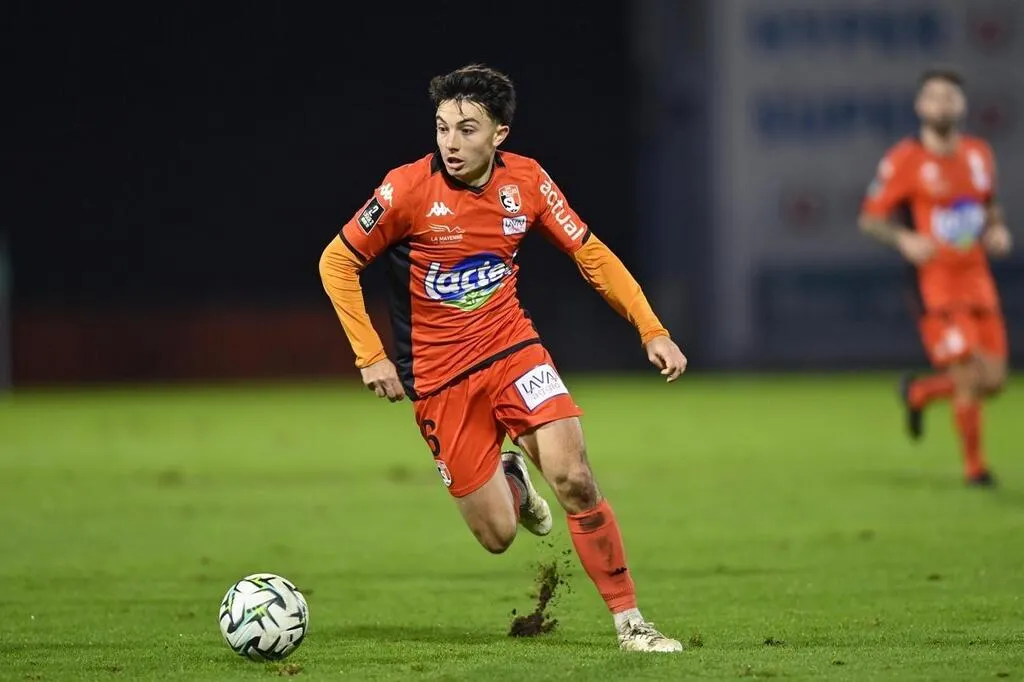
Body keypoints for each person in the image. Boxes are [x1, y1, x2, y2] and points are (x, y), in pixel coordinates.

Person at [319, 64, 687, 652]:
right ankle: (512, 480)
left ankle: (630, 622)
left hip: (511, 348)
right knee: (497, 535)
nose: (451, 142)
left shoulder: (528, 182)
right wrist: (370, 356)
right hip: (438, 378)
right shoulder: (406, 190)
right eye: (442, 127)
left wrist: (651, 329)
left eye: (467, 129)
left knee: (574, 478)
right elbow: (336, 261)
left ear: (500, 134)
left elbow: (590, 253)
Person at [859, 68, 1013, 486]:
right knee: (967, 377)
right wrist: (904, 239)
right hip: (936, 285)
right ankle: (975, 469)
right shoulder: (905, 160)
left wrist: (997, 230)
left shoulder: (979, 154)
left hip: (978, 279)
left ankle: (919, 393)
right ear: (919, 106)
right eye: (934, 97)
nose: (942, 104)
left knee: (994, 381)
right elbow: (870, 219)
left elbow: (988, 205)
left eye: (950, 97)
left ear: (962, 105)